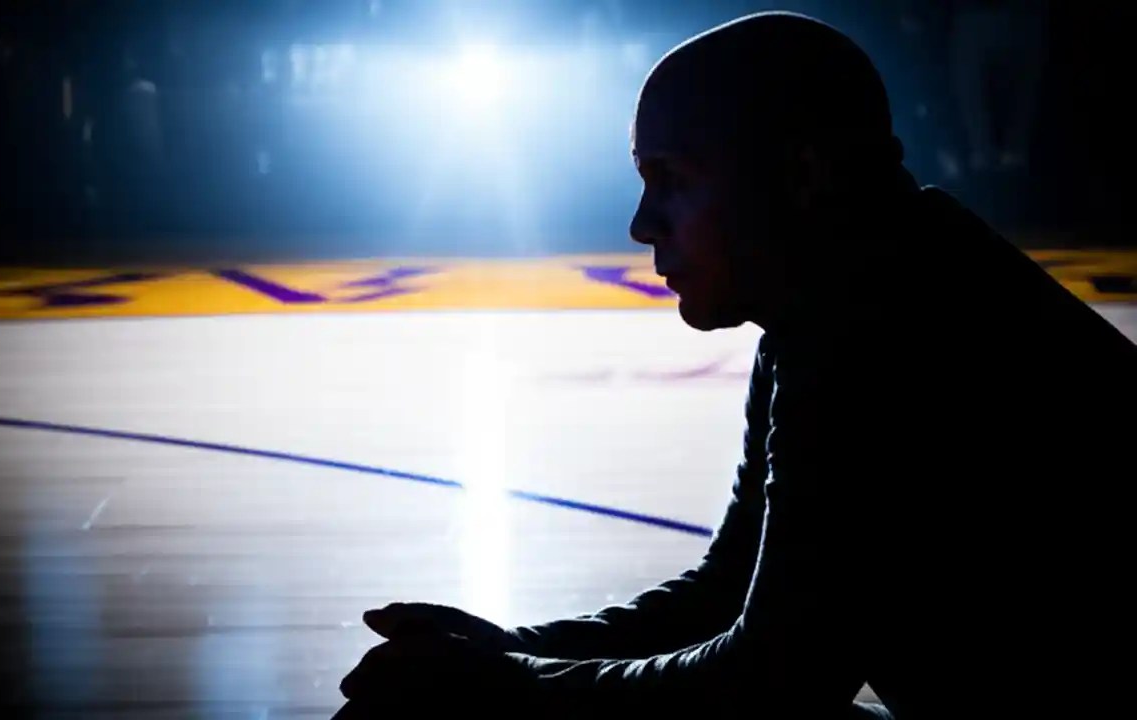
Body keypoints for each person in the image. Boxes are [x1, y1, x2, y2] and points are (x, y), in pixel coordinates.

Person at [334, 12, 1136, 719]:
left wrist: (506, 683)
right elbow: (730, 592)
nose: (642, 223)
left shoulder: (878, 327)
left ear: (802, 175)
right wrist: (511, 648)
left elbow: (772, 680)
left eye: (669, 180)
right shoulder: (852, 288)